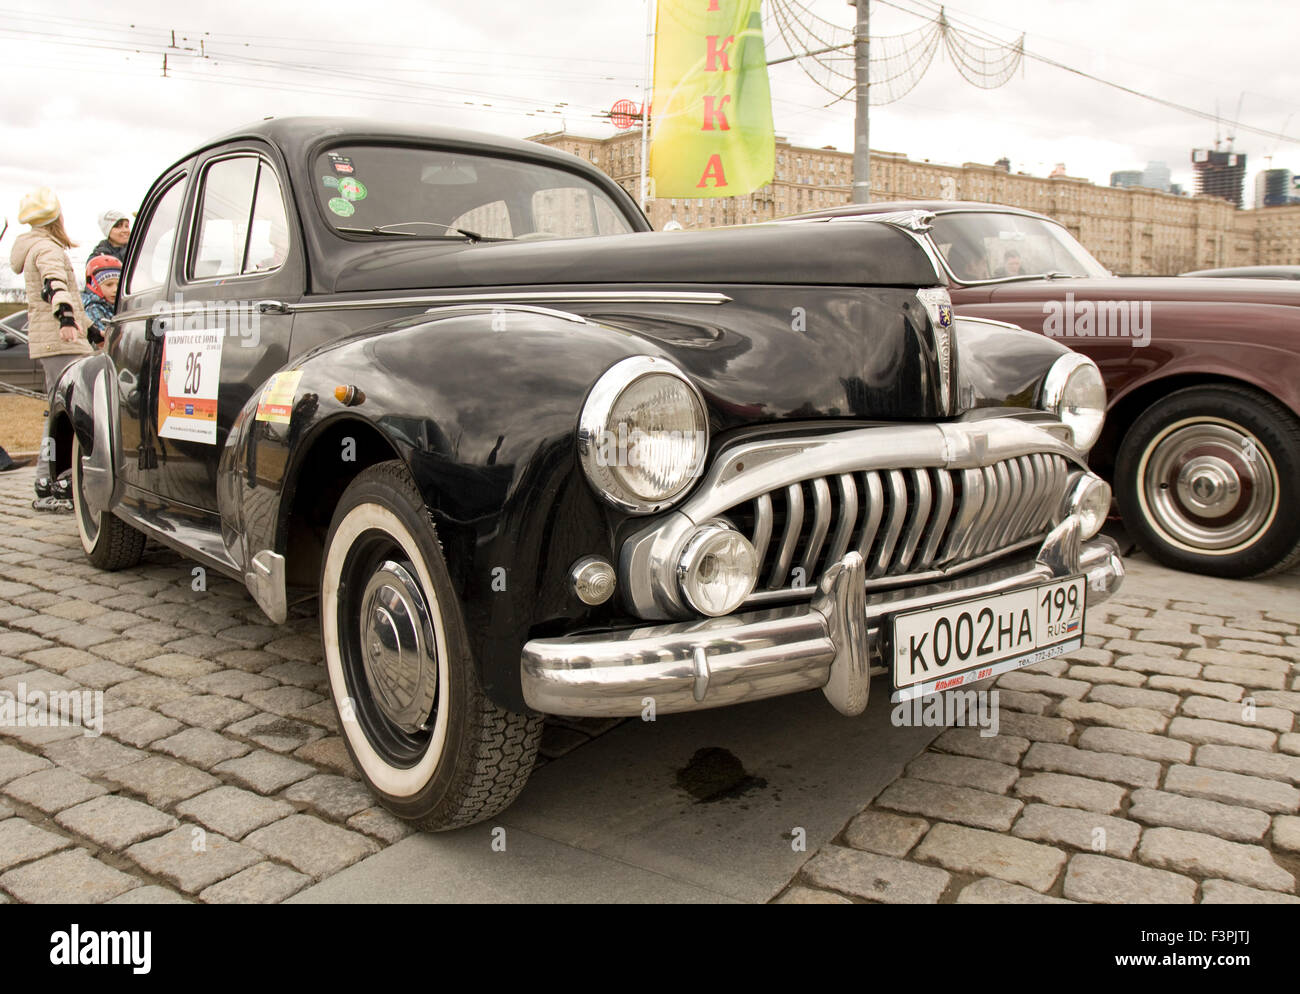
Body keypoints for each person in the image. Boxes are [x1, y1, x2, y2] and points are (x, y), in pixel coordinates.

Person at [9, 187, 93, 511]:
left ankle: (46, 480)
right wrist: (67, 319)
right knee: (72, 413)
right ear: (55, 217)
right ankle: (59, 481)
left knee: (55, 412)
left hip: (54, 341)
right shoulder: (47, 249)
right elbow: (54, 285)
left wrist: (91, 330)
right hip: (61, 342)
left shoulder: (33, 247)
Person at [81, 254, 121, 347]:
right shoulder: (93, 308)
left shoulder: (120, 305)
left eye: (119, 285)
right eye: (109, 285)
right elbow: (106, 338)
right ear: (95, 286)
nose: (115, 289)